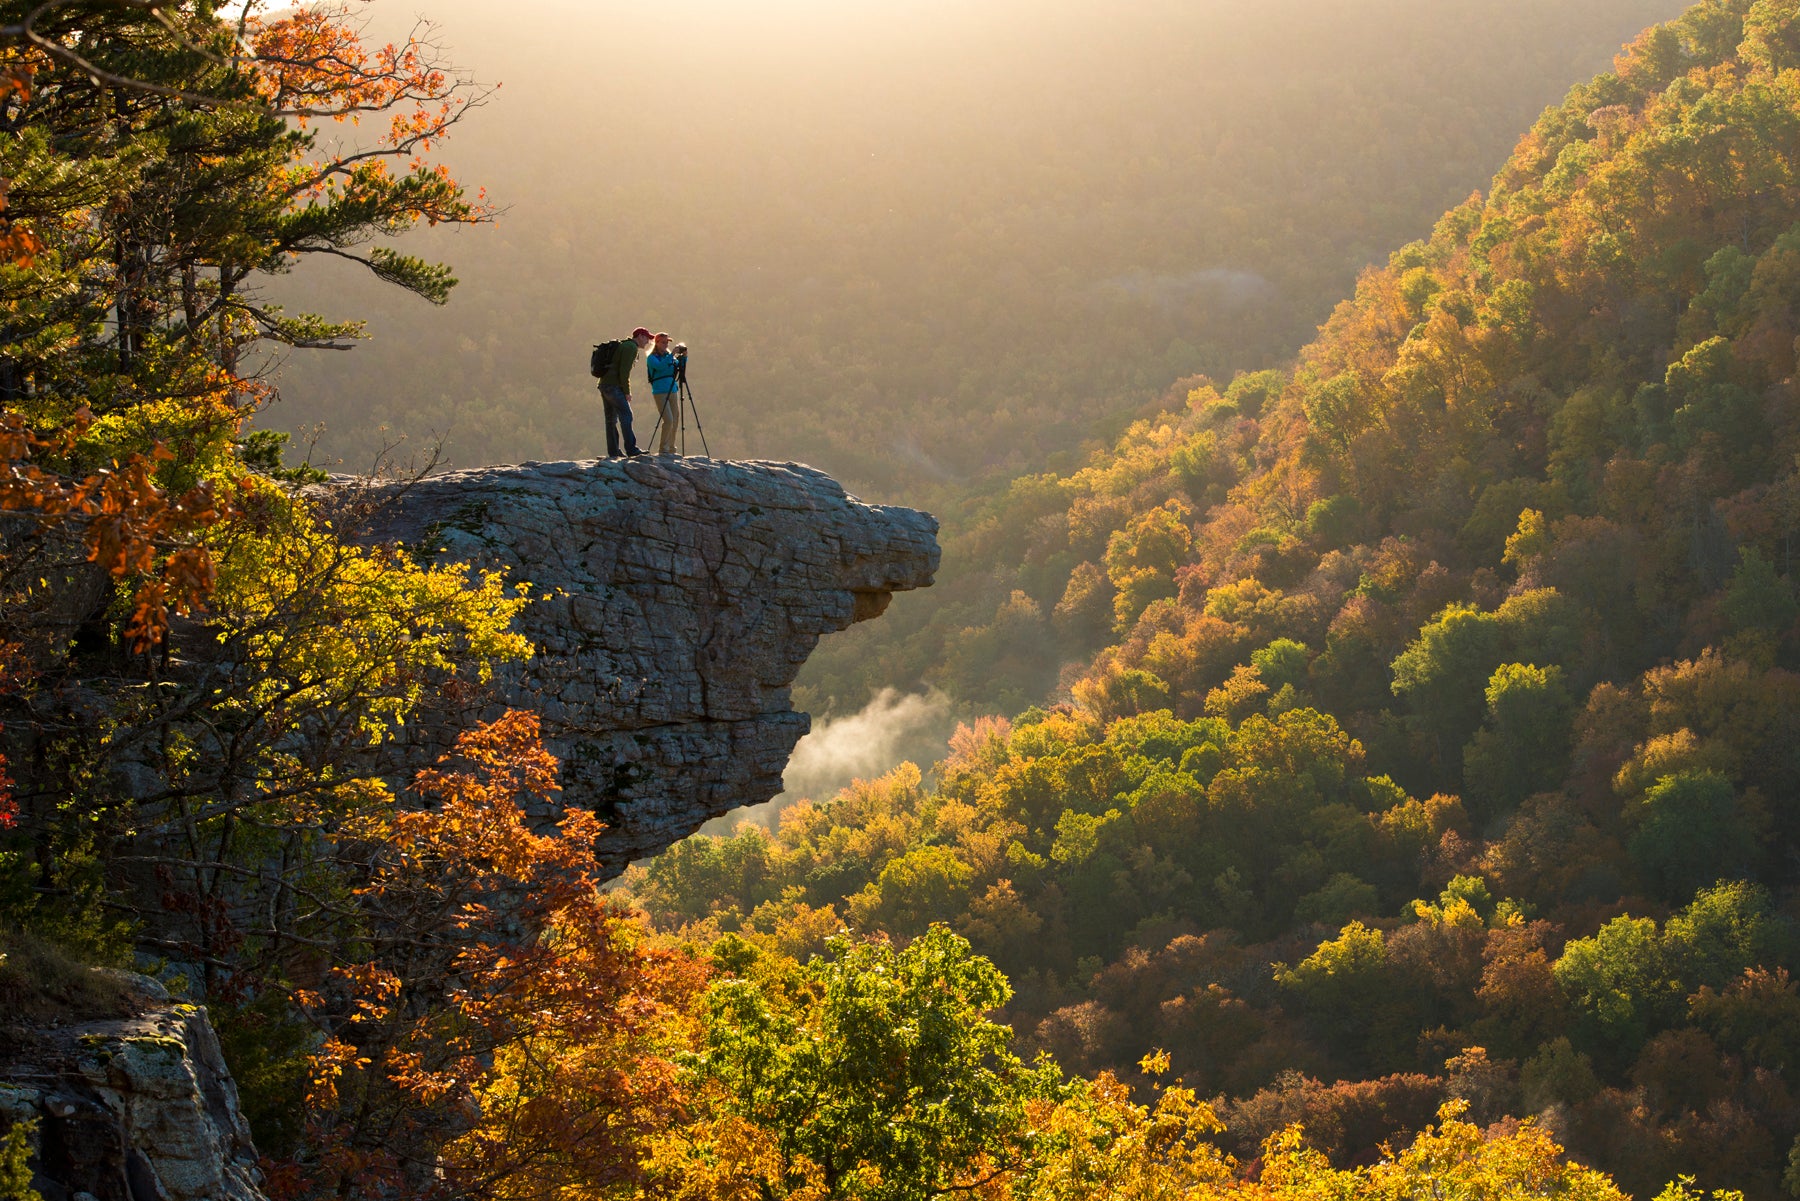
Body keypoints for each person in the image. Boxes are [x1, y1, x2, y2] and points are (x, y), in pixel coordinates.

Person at [599, 327, 653, 457]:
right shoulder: (631, 348)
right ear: (640, 336)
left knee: (611, 420)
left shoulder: (624, 344)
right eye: (646, 338)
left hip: (604, 385)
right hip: (614, 387)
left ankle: (613, 452)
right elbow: (624, 372)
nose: (648, 342)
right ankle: (631, 449)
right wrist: (627, 392)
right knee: (626, 415)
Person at [645, 332, 682, 455]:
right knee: (668, 419)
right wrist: (672, 355)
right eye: (663, 342)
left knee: (675, 418)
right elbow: (660, 367)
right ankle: (663, 449)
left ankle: (671, 447)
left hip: (672, 390)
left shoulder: (669, 356)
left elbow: (678, 366)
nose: (666, 345)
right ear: (657, 343)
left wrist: (684, 357)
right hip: (660, 391)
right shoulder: (651, 358)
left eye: (667, 342)